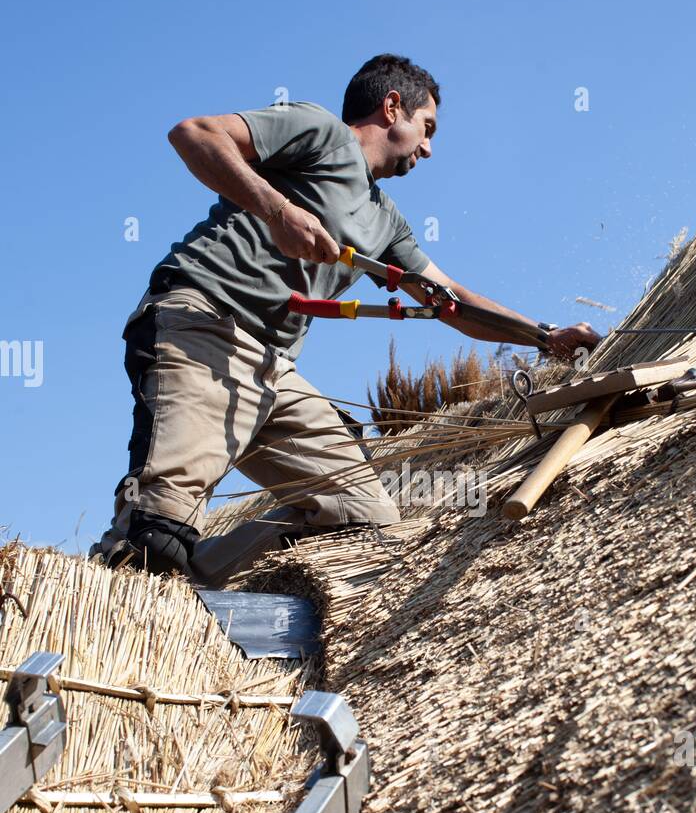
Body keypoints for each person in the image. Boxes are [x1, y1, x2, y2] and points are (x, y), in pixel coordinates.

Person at [92, 53, 601, 586]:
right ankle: (136, 569)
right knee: (156, 530)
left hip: (273, 369)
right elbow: (193, 134)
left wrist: (543, 336)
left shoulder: (386, 222)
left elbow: (451, 299)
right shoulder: (319, 131)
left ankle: (192, 583)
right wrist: (278, 211)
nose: (429, 148)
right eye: (427, 128)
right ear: (392, 107)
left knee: (362, 519)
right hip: (205, 326)